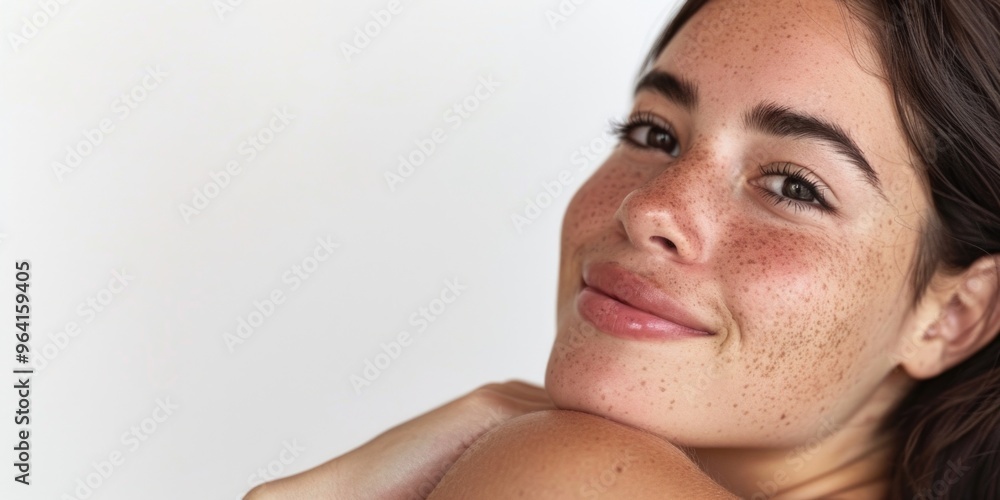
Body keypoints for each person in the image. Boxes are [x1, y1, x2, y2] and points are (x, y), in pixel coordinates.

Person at [246, 0, 1000, 498]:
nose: (652, 209)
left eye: (794, 186)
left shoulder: (573, 477)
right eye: (654, 134)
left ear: (955, 315)